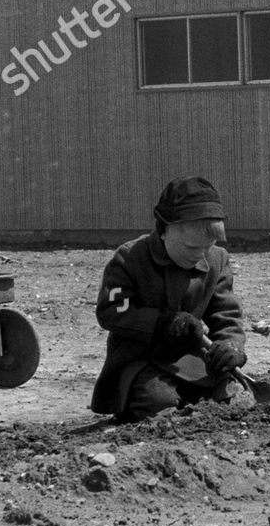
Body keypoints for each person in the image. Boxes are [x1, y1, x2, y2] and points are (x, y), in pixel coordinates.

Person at [91, 176, 250, 420]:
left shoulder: (217, 260)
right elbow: (110, 311)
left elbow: (226, 314)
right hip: (141, 359)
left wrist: (231, 346)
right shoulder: (129, 258)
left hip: (191, 358)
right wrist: (162, 323)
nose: (200, 256)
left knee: (227, 398)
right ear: (163, 231)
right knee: (158, 402)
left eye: (206, 247)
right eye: (191, 248)